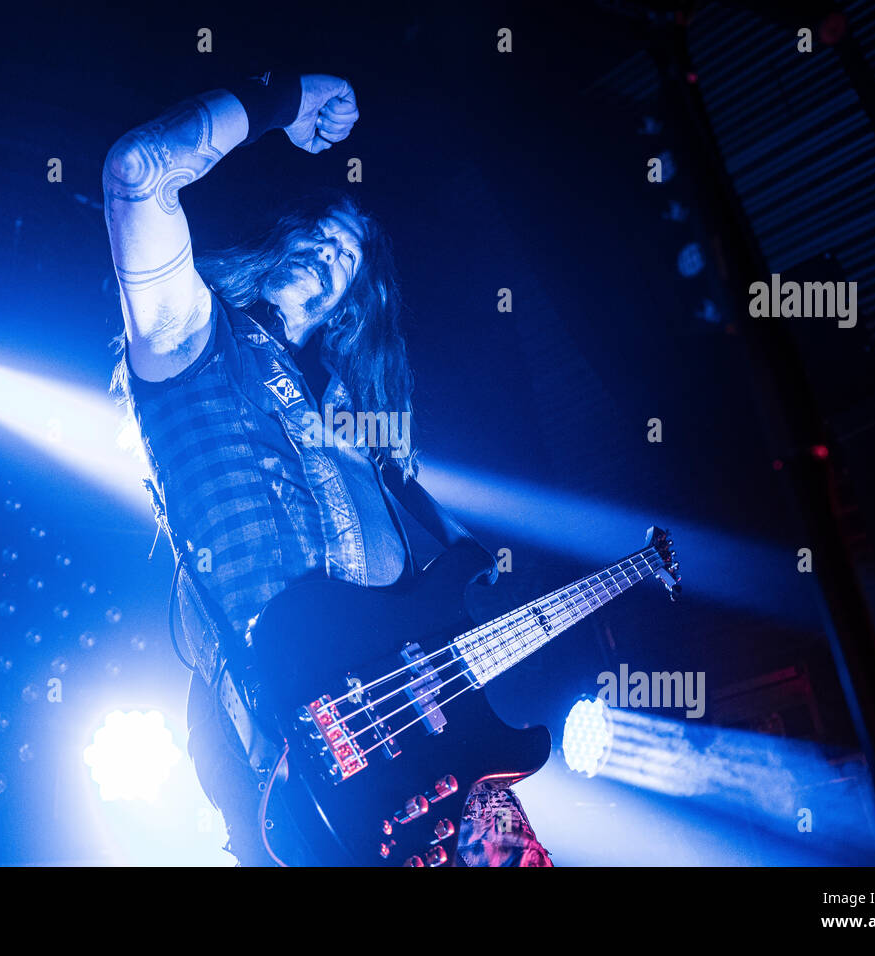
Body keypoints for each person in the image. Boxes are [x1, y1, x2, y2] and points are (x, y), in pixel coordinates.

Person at [103, 71, 551, 866]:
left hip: (441, 770)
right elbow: (137, 173)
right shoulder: (193, 339)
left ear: (352, 300)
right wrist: (286, 98)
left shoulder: (355, 428)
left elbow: (437, 596)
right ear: (276, 242)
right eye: (314, 231)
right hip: (307, 782)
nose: (327, 248)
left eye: (347, 252)